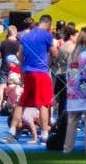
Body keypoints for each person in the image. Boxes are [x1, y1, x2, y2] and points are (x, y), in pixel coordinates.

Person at [14, 15, 56, 144]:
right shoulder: (45, 36)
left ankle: (14, 131)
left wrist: (22, 72)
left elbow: (19, 56)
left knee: (22, 103)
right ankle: (44, 133)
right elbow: (54, 54)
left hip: (28, 72)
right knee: (43, 104)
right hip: (40, 73)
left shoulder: (25, 36)